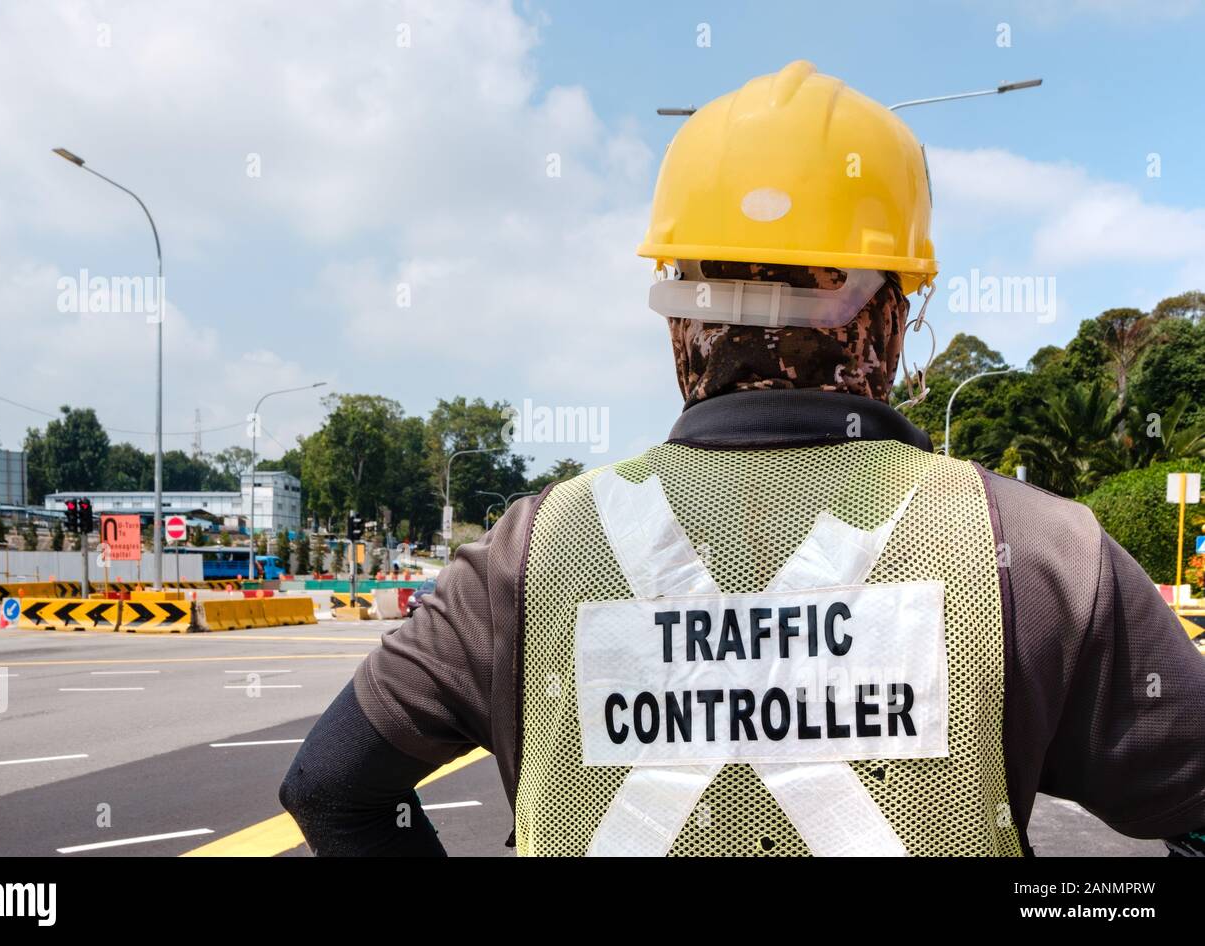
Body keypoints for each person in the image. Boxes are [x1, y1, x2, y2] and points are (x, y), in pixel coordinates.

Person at [280, 61, 1205, 857]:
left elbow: (331, 786)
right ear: (893, 318)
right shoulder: (1039, 554)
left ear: (678, 321)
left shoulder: (529, 557)